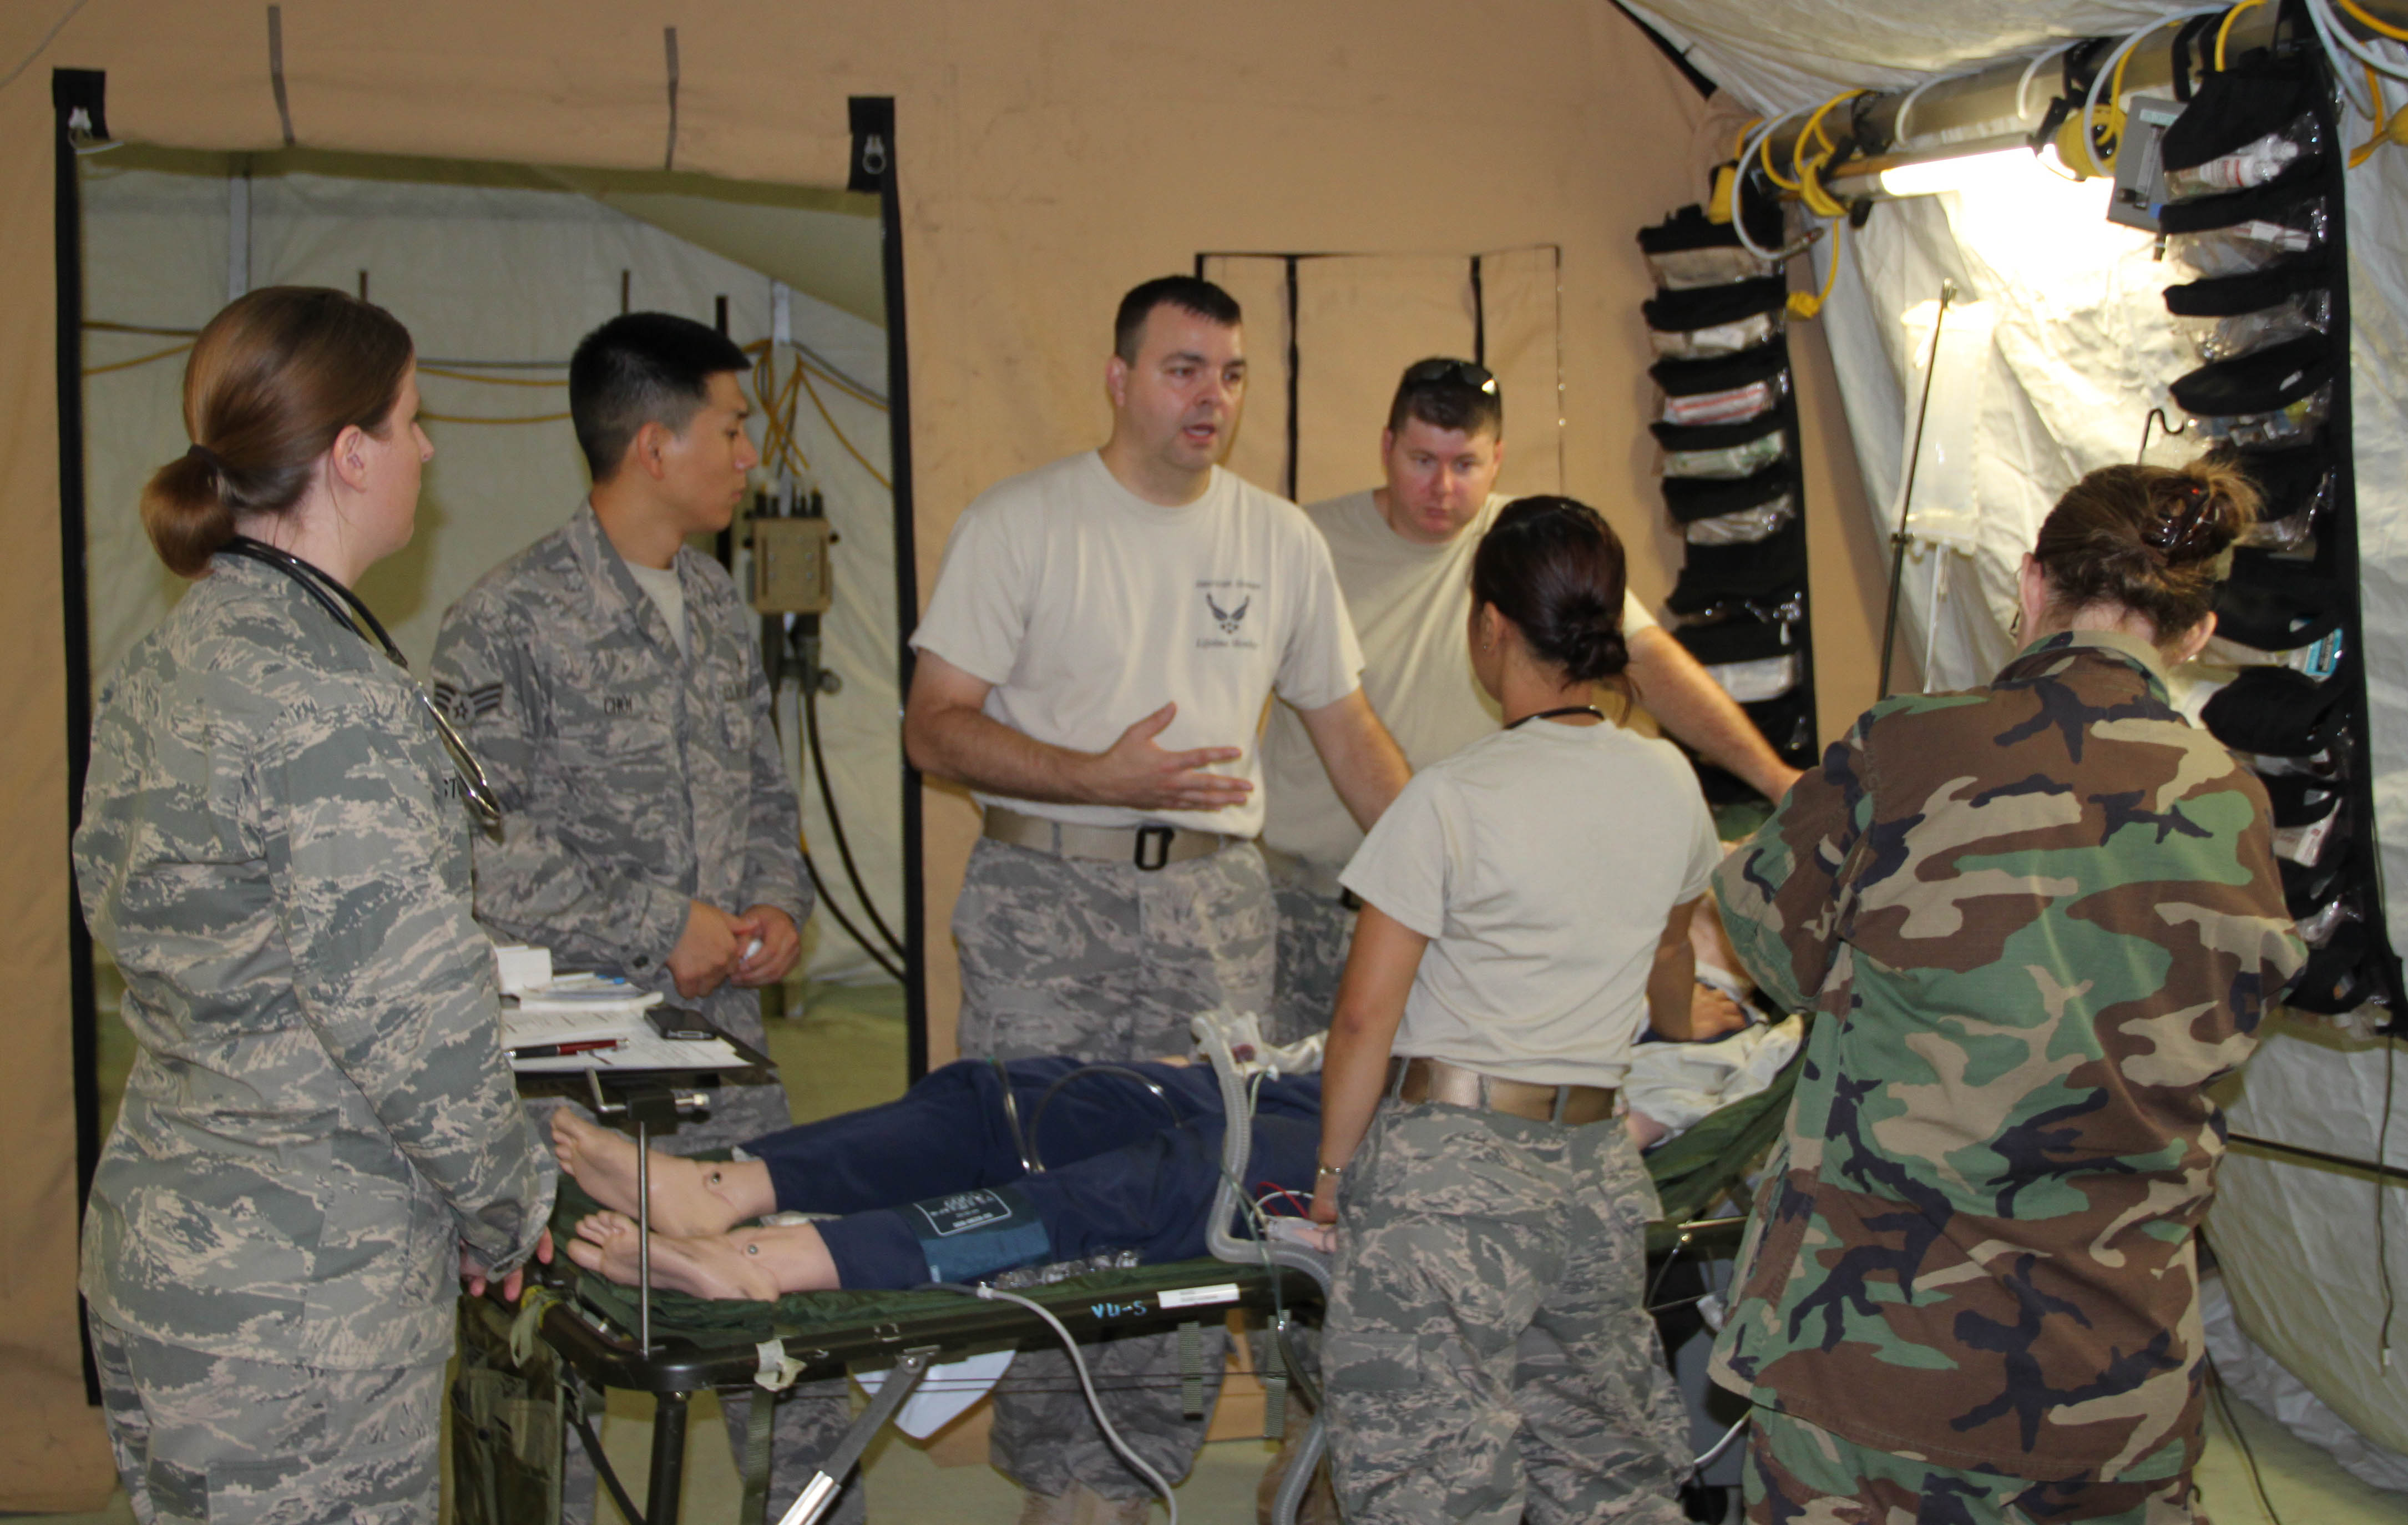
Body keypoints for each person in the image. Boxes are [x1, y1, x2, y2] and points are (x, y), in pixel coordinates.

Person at [1705, 458, 2306, 1524]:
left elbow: (1767, 940)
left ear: (2031, 586)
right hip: (2115, 1384)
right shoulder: (2235, 806)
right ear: (2199, 631)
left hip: (1880, 1371)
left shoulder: (1910, 744)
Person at [903, 274, 1412, 1519]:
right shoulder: (1023, 524)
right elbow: (933, 729)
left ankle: (1148, 1470)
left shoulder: (1276, 540)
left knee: (1198, 1185)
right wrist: (1098, 776)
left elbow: (1348, 738)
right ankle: (1067, 1489)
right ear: (1120, 378)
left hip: (1210, 915)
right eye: (1184, 369)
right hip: (1044, 902)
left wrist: (1451, 878)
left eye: (1231, 375)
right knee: (1047, 1182)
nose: (1212, 398)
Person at [73, 286, 553, 1525]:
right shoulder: (333, 702)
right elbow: (415, 1027)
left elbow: (113, 906)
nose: (429, 450)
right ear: (350, 456)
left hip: (163, 1253)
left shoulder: (167, 663)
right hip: (306, 1307)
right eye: (413, 421)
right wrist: (505, 1212)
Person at [429, 311, 836, 1523]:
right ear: (652, 446)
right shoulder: (507, 620)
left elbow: (766, 787)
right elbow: (479, 847)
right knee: (552, 1364)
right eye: (729, 427)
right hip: (572, 1077)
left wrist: (776, 901)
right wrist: (661, 919)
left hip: (724, 1062)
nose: (747, 454)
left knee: (792, 1325)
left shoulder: (714, 603)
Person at [1310, 496, 1714, 1525]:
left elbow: (1365, 1018)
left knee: (1433, 1487)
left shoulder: (1450, 797)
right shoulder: (1669, 778)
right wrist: (1685, 1019)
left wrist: (1330, 1178)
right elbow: (1672, 952)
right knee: (1609, 1475)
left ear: (1490, 627)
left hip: (1447, 1185)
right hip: (1591, 1178)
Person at [1258, 356, 1802, 1044]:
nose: (1442, 488)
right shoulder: (1303, 547)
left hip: (1471, 920)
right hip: (1312, 908)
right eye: (1422, 459)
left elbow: (1653, 662)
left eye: (1466, 464)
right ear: (1387, 445)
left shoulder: (1522, 548)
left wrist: (1775, 778)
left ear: (1498, 459)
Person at [551, 1054, 1323, 1296]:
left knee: (1201, 1170)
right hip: (1363, 1083)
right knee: (1025, 1098)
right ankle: (721, 1189)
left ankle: (769, 1262)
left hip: (1427, 1153)